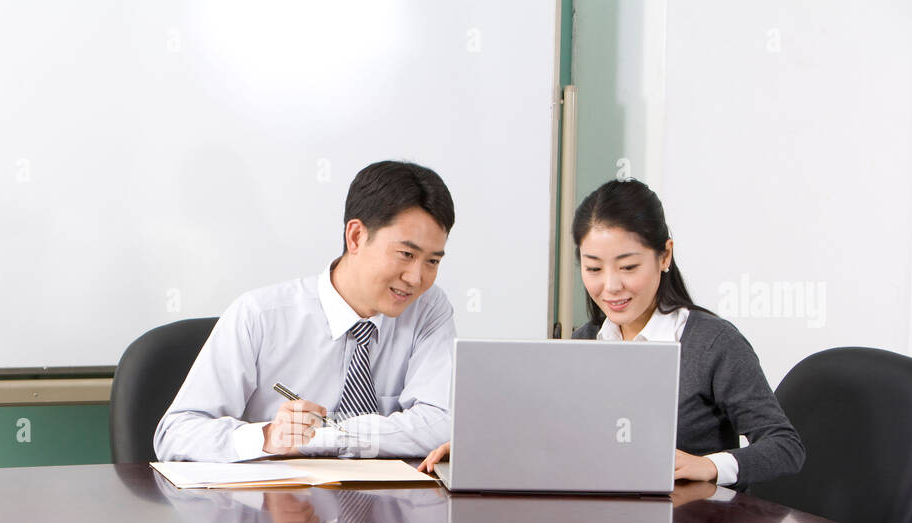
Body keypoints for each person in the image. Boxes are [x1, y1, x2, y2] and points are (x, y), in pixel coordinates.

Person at [421, 179, 805, 489]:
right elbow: (553, 437)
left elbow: (784, 446)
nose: (611, 286)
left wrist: (709, 466)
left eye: (628, 267)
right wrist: (487, 449)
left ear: (665, 255)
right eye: (593, 268)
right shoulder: (584, 342)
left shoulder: (712, 343)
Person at [155, 160, 456, 462]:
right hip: (273, 505)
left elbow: (441, 423)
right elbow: (176, 433)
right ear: (356, 237)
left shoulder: (428, 310)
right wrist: (268, 436)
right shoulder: (259, 316)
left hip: (391, 504)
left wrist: (327, 436)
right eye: (406, 254)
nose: (417, 279)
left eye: (433, 261)